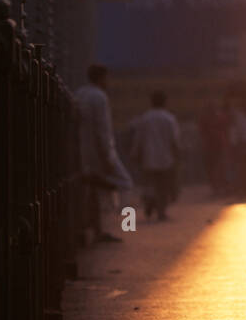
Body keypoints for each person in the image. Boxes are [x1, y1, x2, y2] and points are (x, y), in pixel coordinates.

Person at [73, 64, 133, 243]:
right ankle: (124, 224)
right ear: (101, 78)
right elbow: (103, 129)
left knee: (95, 193)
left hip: (84, 150)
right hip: (100, 153)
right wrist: (107, 155)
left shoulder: (80, 93)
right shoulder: (99, 97)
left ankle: (96, 229)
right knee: (125, 183)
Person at [129, 90, 181, 221]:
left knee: (150, 183)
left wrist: (135, 153)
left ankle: (150, 201)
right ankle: (161, 212)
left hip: (148, 156)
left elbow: (138, 138)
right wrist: (178, 155)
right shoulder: (169, 118)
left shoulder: (144, 118)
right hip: (165, 157)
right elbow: (174, 140)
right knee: (163, 185)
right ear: (165, 102)